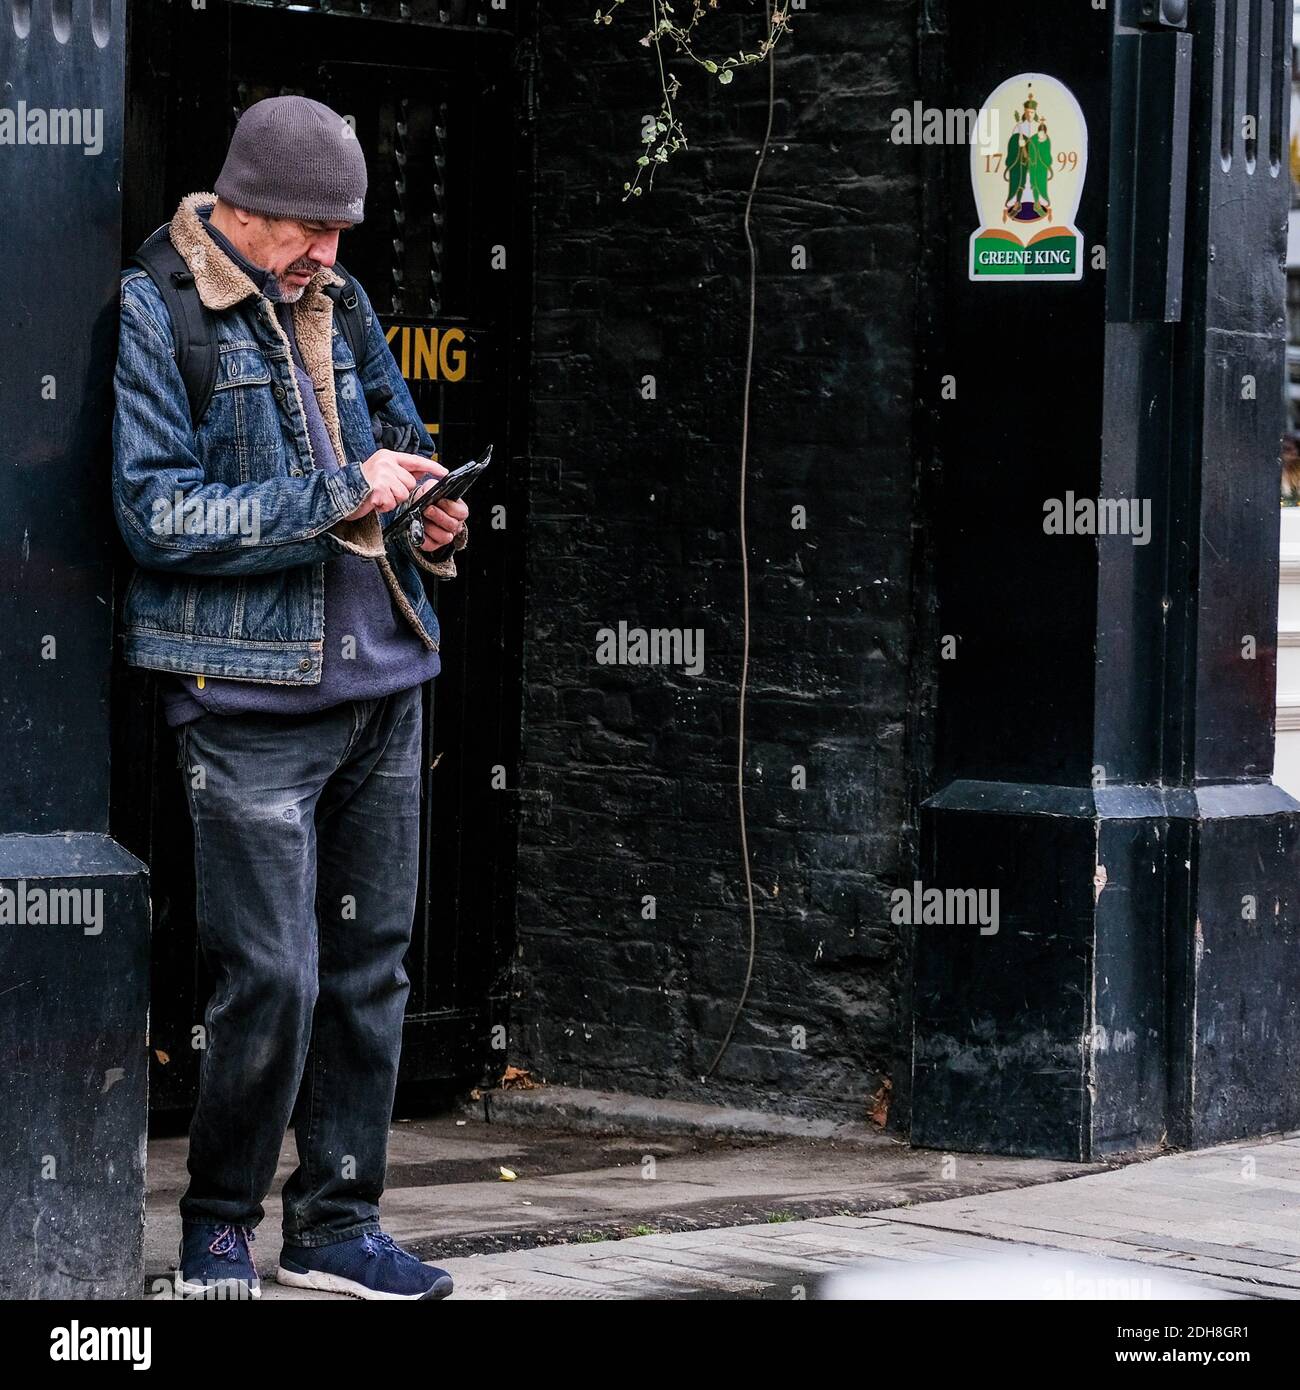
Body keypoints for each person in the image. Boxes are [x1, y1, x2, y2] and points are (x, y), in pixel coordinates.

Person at [111, 95, 469, 1300]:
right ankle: (218, 1227)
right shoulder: (159, 309)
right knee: (271, 976)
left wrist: (424, 507)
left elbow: (393, 443)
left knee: (373, 971)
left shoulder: (344, 300)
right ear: (244, 204)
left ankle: (337, 1227)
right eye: (311, 229)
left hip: (386, 677)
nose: (330, 253)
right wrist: (335, 493)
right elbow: (156, 514)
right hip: (250, 701)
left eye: (344, 231)